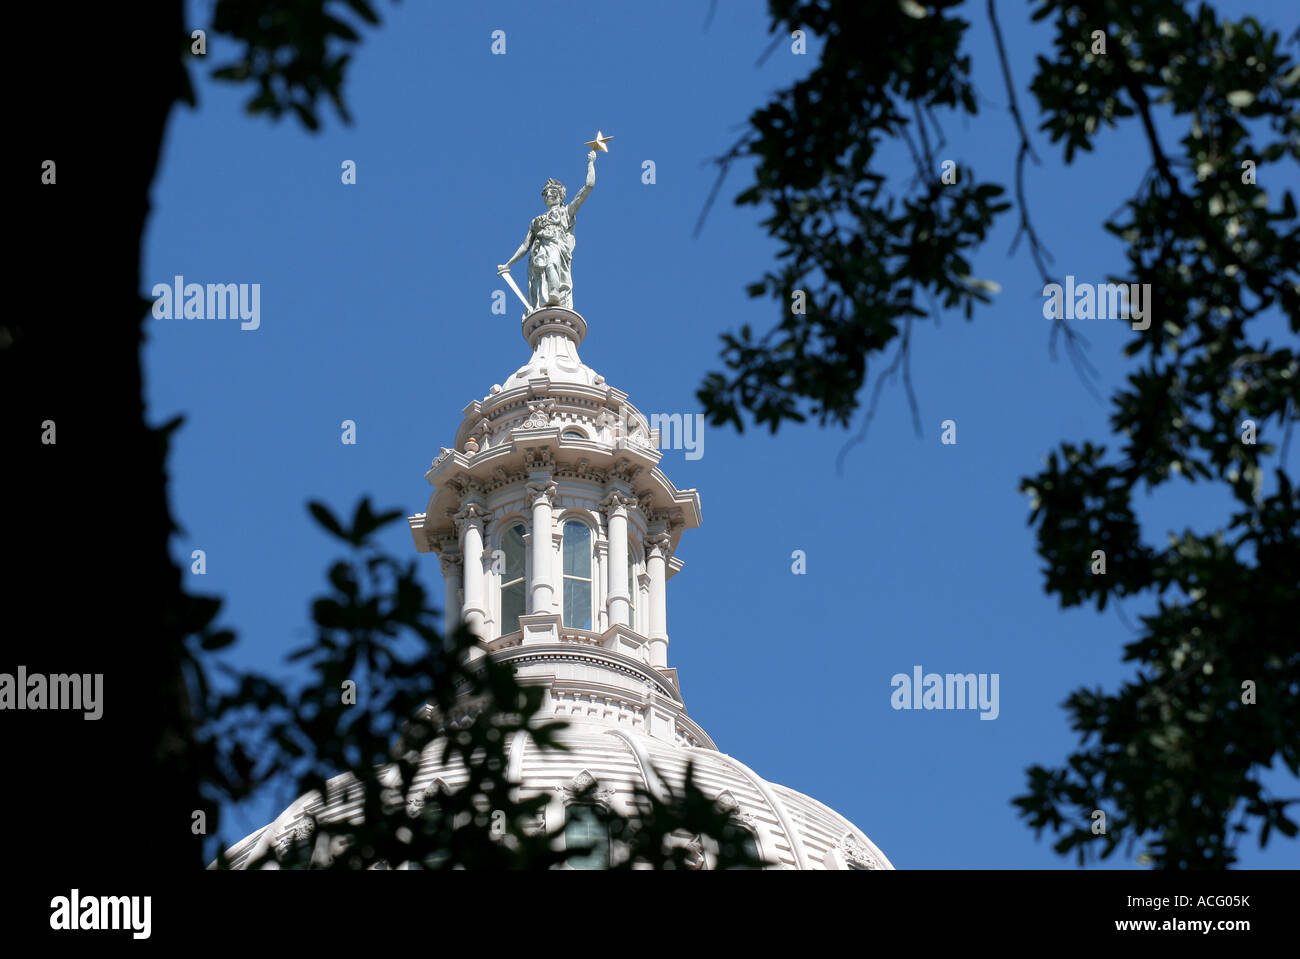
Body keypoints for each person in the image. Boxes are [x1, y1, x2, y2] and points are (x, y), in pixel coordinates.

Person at [498, 151, 597, 311]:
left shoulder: (565, 212)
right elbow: (525, 246)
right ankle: (546, 299)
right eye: (545, 193)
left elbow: (588, 187)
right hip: (538, 254)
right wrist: (508, 263)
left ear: (560, 195)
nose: (547, 195)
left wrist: (591, 163)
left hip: (556, 246)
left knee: (552, 263)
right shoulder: (536, 221)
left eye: (551, 192)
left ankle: (554, 294)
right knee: (543, 271)